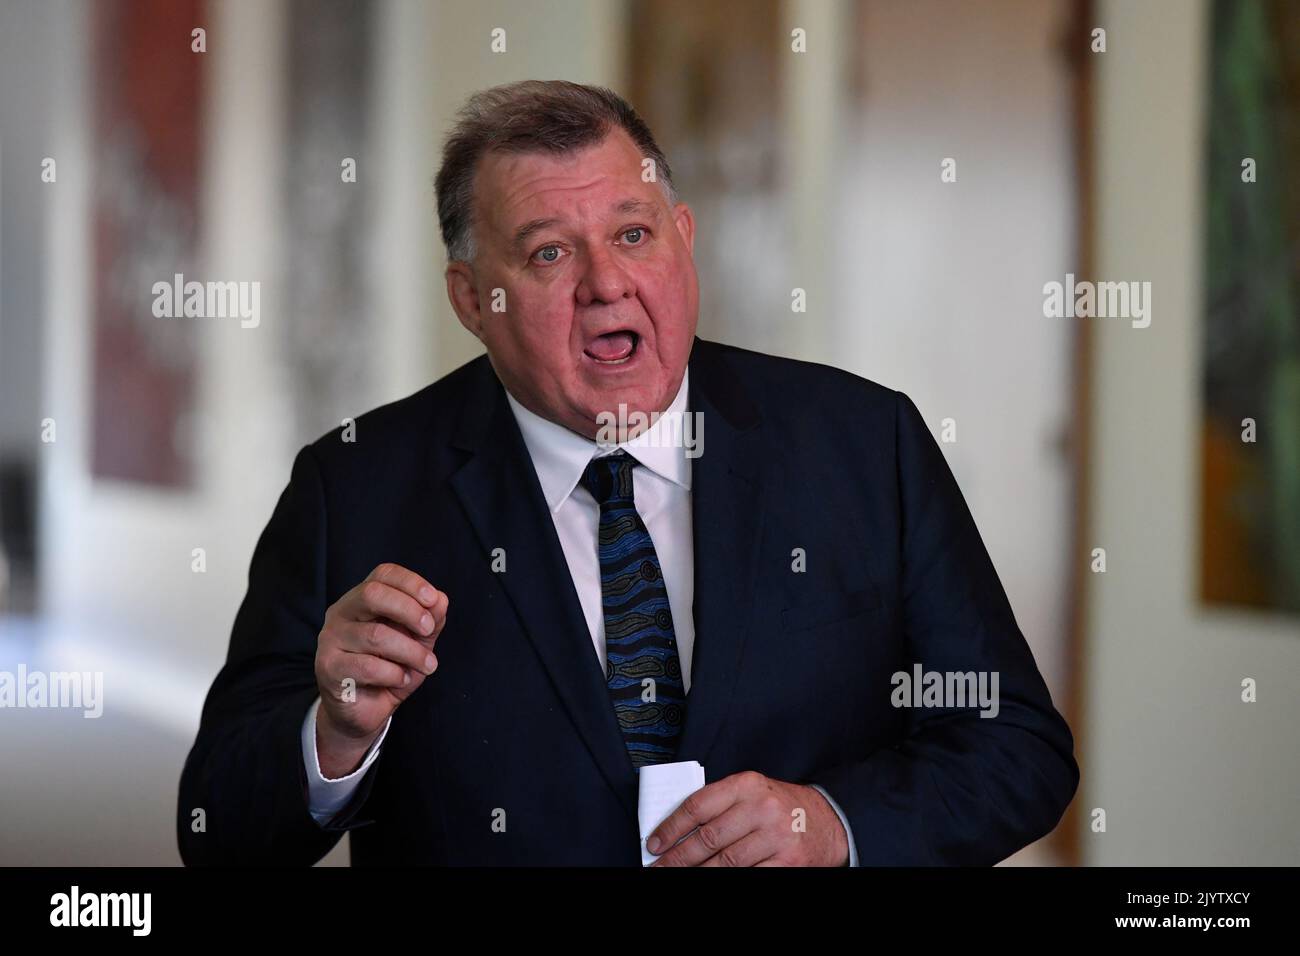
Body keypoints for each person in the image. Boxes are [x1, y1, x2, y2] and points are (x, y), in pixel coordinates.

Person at [177, 79, 1078, 866]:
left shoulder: (862, 443)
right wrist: (332, 735)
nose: (607, 283)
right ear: (470, 300)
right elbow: (218, 832)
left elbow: (1019, 749)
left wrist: (830, 825)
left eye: (635, 233)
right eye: (548, 253)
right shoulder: (353, 487)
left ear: (683, 241)